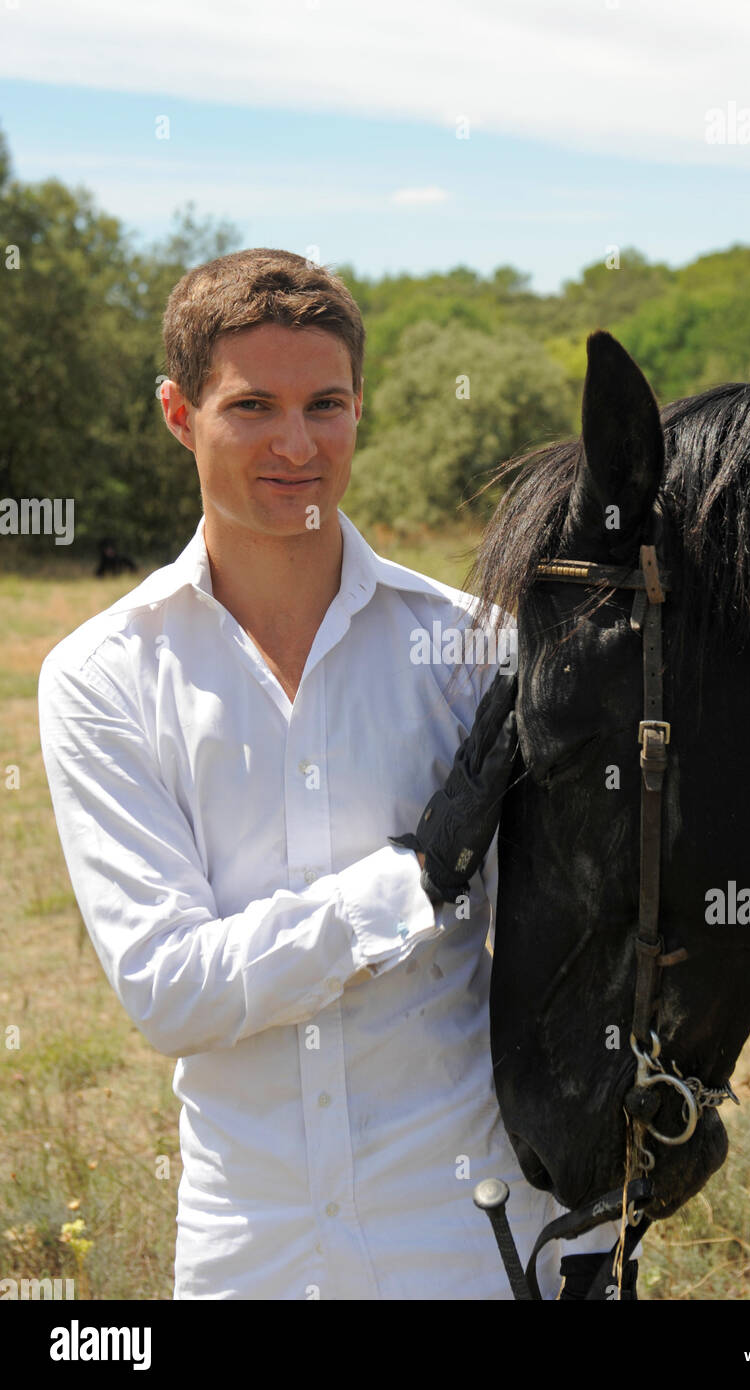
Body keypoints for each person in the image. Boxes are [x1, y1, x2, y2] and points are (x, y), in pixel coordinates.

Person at [37, 248, 617, 1300]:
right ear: (178, 414)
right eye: (251, 405)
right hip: (250, 1246)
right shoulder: (102, 676)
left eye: (326, 404)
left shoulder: (472, 649)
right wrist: (416, 879)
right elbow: (171, 990)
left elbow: (576, 941)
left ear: (361, 409)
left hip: (468, 1228)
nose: (295, 445)